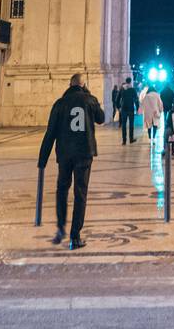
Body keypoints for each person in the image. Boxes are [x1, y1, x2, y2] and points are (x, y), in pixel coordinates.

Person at [38, 71, 105, 250]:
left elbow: (50, 133)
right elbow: (102, 118)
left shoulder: (60, 103)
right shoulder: (90, 100)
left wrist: (42, 159)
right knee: (80, 193)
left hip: (65, 154)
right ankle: (75, 236)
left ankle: (61, 227)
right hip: (84, 153)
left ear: (69, 85)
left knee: (62, 189)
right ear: (83, 85)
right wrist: (89, 95)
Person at [118, 76, 139, 144]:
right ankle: (131, 139)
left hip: (124, 108)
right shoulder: (132, 89)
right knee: (131, 124)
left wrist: (119, 107)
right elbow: (136, 99)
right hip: (130, 109)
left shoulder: (122, 89)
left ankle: (124, 141)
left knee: (124, 125)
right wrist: (138, 108)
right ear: (130, 82)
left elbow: (117, 99)